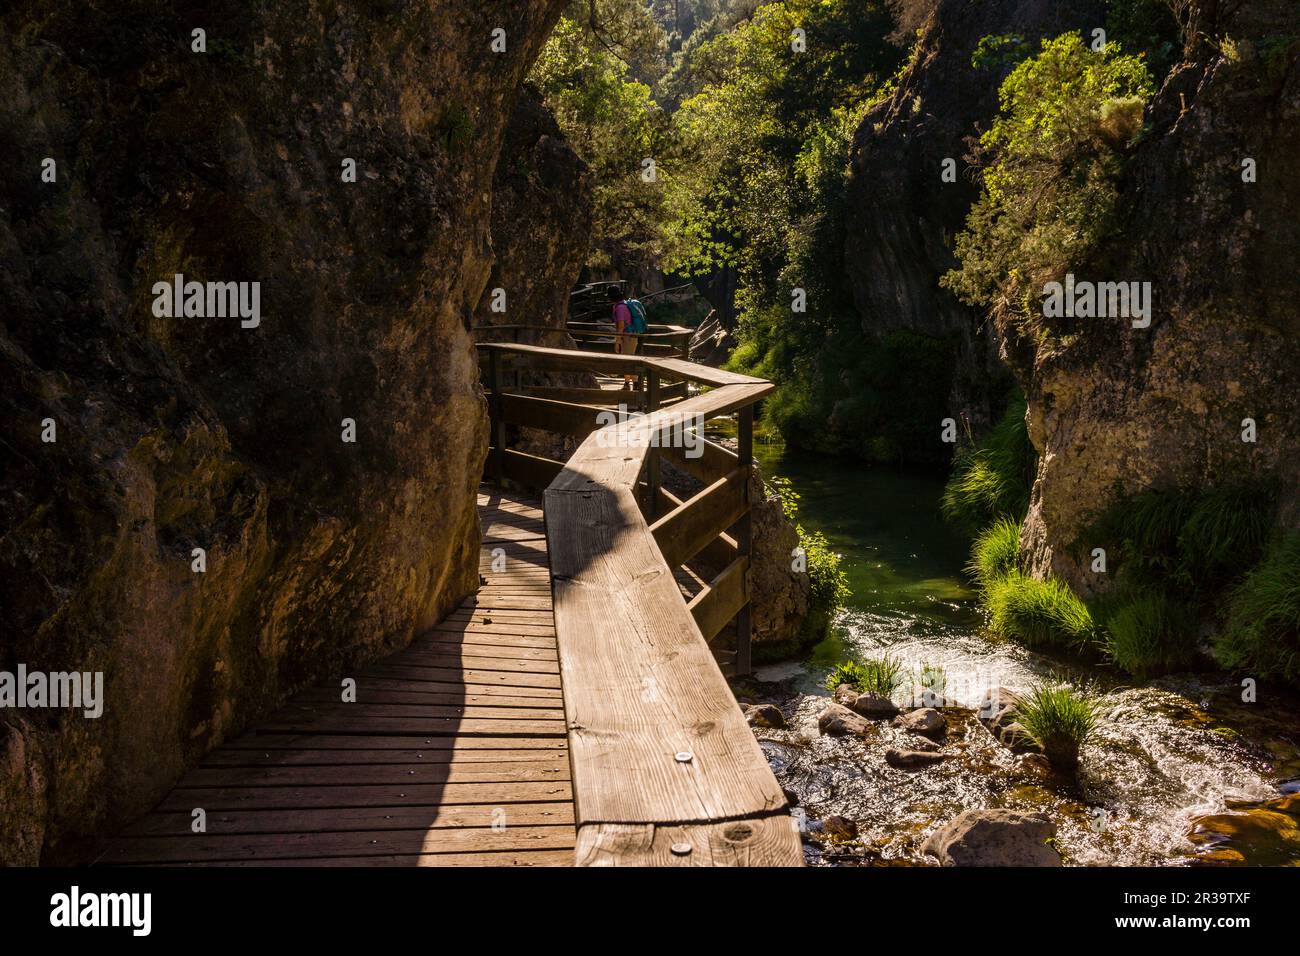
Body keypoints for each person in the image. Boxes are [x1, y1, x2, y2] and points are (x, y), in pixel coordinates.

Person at [607, 286, 648, 389]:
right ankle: (635, 383)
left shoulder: (620, 308)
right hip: (632, 335)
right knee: (630, 359)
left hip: (627, 337)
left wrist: (618, 341)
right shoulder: (623, 305)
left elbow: (621, 326)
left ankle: (627, 384)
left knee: (627, 360)